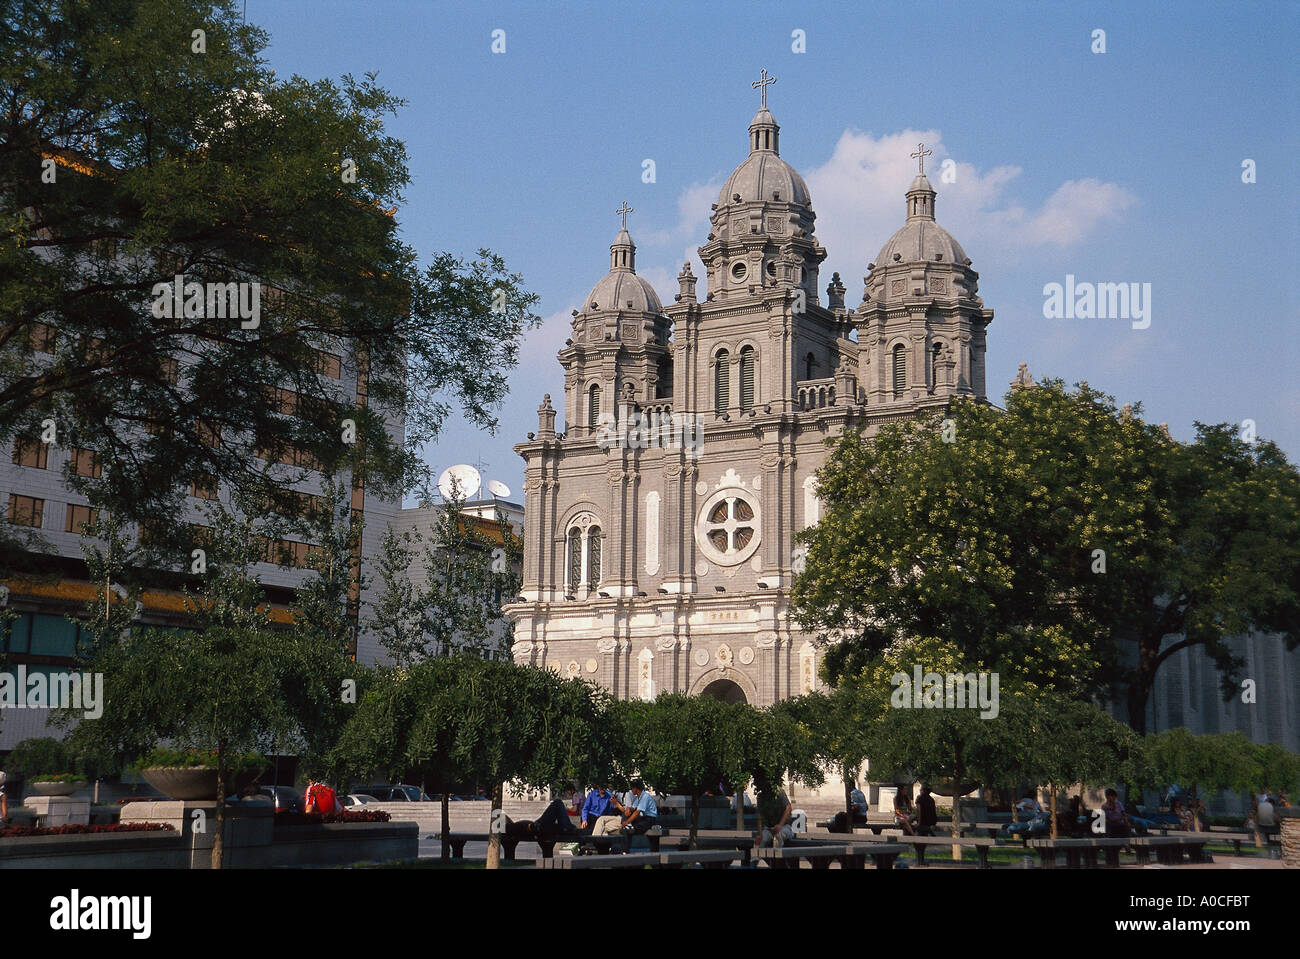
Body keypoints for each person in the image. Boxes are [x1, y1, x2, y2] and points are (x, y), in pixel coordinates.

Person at [754, 780, 794, 848]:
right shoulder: (760, 796)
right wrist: (760, 834)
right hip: (769, 828)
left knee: (781, 834)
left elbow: (788, 808)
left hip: (784, 826)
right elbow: (759, 816)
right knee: (760, 840)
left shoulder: (779, 792)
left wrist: (780, 825)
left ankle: (778, 847)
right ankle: (756, 857)